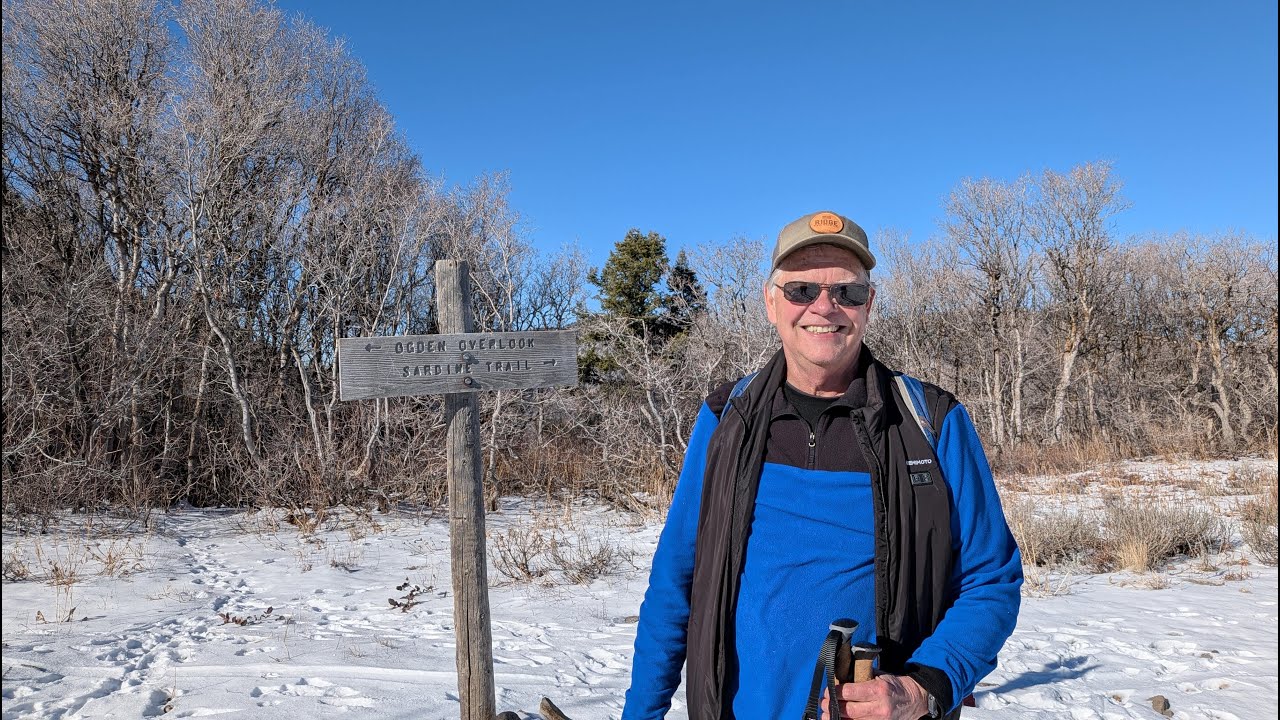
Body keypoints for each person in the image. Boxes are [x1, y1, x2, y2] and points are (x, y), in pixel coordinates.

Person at [621, 211, 1022, 720]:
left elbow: (992, 577)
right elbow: (677, 576)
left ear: (869, 304)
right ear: (771, 302)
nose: (824, 307)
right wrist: (642, 711)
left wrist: (923, 689)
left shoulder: (932, 422)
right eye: (801, 290)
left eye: (847, 293)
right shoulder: (726, 418)